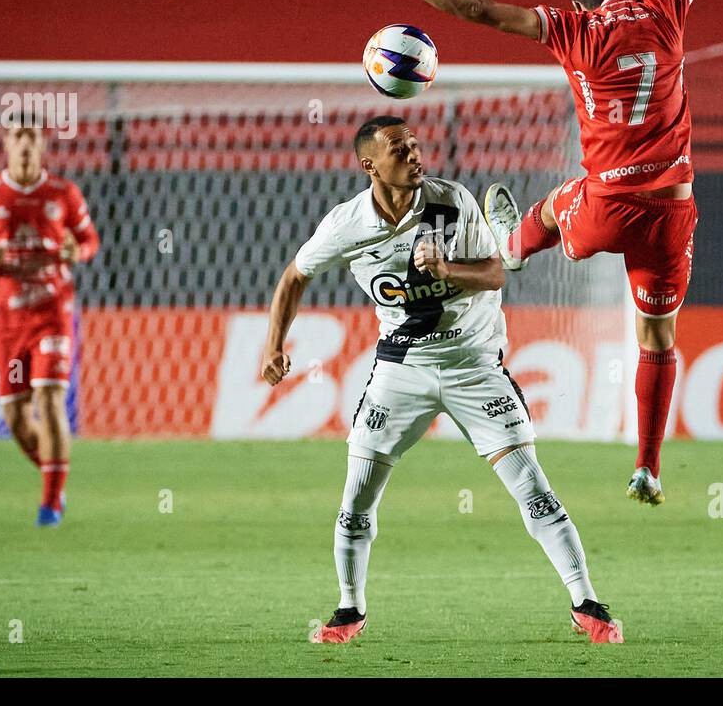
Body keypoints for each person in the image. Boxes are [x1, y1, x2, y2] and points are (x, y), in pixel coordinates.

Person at [343, 0, 723, 505]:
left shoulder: (573, 31)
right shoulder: (665, 10)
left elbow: (478, 10)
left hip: (604, 207)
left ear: (580, 1)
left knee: (551, 206)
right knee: (658, 337)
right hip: (673, 211)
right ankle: (648, 466)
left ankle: (511, 247)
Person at [262, 116, 622, 644]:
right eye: (398, 149)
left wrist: (447, 271)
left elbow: (497, 272)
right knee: (357, 497)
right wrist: (274, 345)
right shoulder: (346, 225)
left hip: (474, 365)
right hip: (401, 371)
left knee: (532, 487)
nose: (413, 154)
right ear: (369, 166)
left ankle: (586, 602)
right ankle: (349, 608)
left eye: (414, 145)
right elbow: (295, 277)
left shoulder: (452, 201)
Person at [0, 114, 99, 526]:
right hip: (5, 322)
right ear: (5, 143)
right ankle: (56, 478)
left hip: (52, 315)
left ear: (42, 144)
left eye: (31, 136)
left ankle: (50, 505)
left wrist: (78, 252)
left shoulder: (63, 193)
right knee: (16, 418)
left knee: (50, 400)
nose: (24, 144)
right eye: (17, 136)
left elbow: (89, 240)